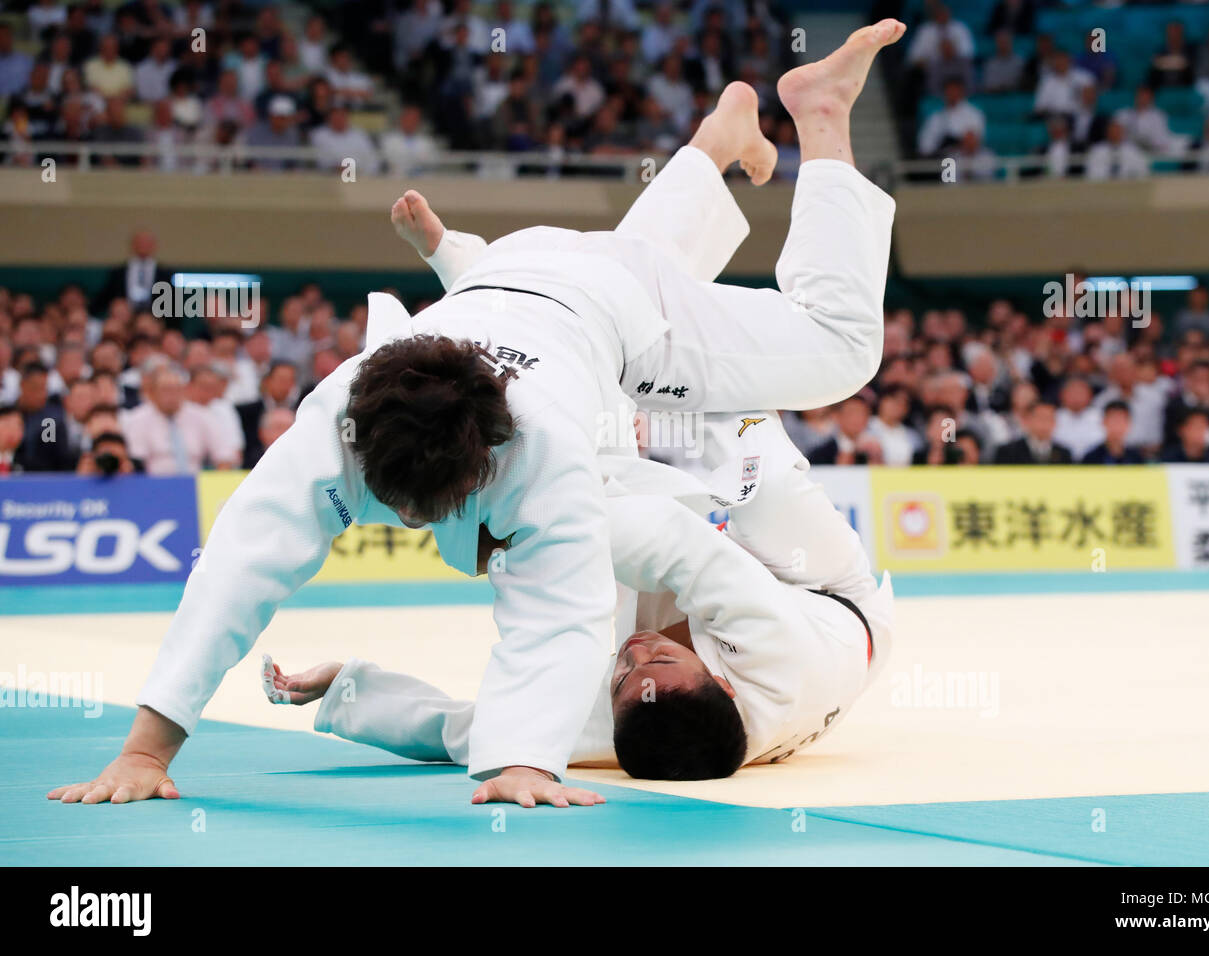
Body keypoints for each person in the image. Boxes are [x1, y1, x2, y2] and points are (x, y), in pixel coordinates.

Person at [47, 23, 906, 812]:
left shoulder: (547, 446)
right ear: (356, 443)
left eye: (434, 509)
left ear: (496, 447)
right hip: (529, 275)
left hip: (602, 305)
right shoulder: (334, 416)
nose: (423, 524)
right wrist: (145, 750)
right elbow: (236, 567)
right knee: (641, 293)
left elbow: (560, 613)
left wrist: (525, 762)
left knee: (839, 349)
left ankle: (819, 119)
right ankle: (716, 145)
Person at [263, 412, 894, 781]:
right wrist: (525, 535)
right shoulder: (777, 655)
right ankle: (733, 395)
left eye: (626, 677)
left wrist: (346, 685)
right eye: (660, 663)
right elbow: (677, 538)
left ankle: (589, 427)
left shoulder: (612, 733)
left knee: (590, 580)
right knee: (767, 492)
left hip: (718, 609)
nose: (639, 653)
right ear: (725, 685)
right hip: (828, 592)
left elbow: (469, 731)